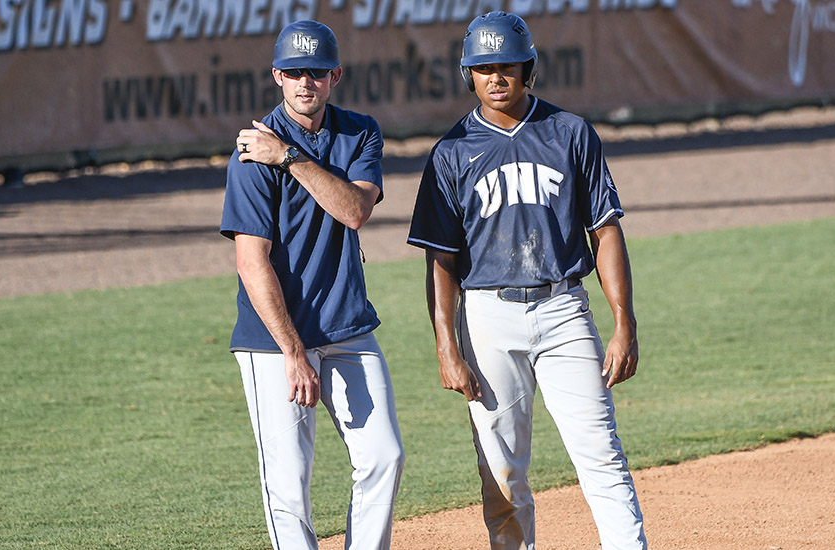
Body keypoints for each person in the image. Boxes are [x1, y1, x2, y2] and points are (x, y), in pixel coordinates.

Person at [407, 11, 648, 550]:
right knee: (502, 474)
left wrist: (623, 324)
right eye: (483, 67)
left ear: (528, 67)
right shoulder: (452, 152)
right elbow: (440, 262)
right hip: (487, 318)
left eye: (507, 66)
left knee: (601, 453)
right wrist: (446, 345)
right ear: (468, 73)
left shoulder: (570, 133)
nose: (496, 77)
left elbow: (605, 232)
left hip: (565, 310)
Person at [220, 19, 404, 550]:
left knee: (384, 456)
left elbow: (354, 210)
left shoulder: (359, 131)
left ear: (335, 76)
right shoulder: (251, 156)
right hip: (274, 341)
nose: (306, 83)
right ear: (277, 75)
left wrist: (291, 157)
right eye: (295, 72)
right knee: (289, 484)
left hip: (347, 326)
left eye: (317, 73)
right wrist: (293, 350)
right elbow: (252, 262)